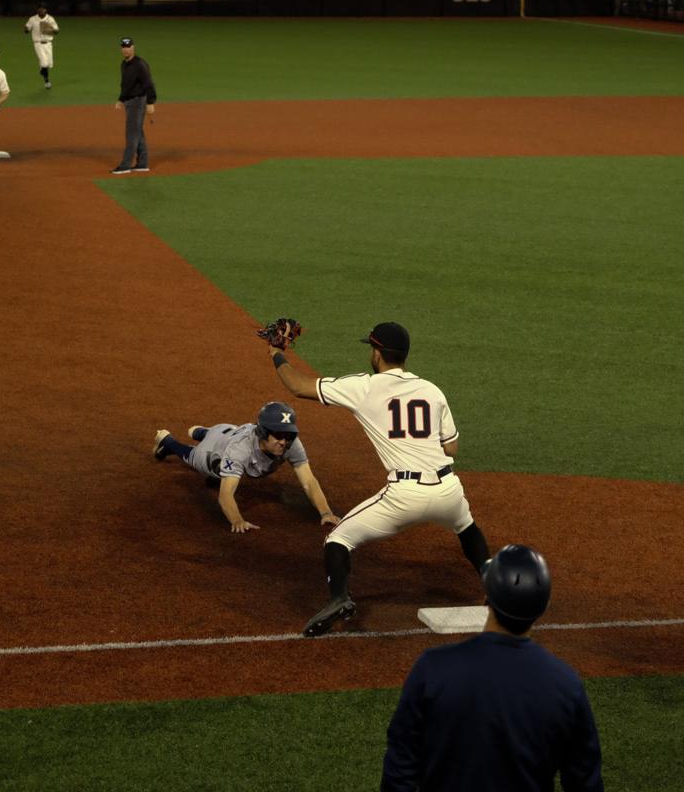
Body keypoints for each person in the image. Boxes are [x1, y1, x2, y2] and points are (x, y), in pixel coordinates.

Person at [270, 321, 491, 637]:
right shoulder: (432, 390)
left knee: (338, 539)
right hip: (448, 490)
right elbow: (451, 445)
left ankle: (339, 598)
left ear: (378, 353)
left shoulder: (365, 386)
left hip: (405, 495)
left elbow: (298, 386)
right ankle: (496, 586)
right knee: (466, 527)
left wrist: (276, 352)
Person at [381, 545, 604, 792]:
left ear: (487, 597)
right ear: (543, 607)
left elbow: (399, 769)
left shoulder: (433, 668)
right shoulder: (565, 684)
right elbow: (585, 782)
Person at [152, 402, 341, 534]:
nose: (284, 442)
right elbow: (225, 494)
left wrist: (326, 512)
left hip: (228, 430)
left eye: (289, 435)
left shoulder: (291, 443)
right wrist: (237, 520)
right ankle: (168, 442)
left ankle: (202, 432)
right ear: (262, 433)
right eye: (278, 435)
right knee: (202, 463)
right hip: (215, 451)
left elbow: (308, 481)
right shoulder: (239, 450)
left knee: (218, 438)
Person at [113, 37, 156, 174]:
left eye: (129, 47)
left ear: (133, 48)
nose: (126, 49)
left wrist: (150, 102)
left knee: (131, 133)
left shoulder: (140, 64)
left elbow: (148, 84)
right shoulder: (124, 64)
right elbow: (126, 85)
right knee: (137, 132)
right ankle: (143, 163)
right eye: (124, 47)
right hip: (129, 102)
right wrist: (121, 99)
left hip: (138, 102)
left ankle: (125, 165)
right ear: (121, 49)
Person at [23, 2, 59, 89]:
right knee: (44, 63)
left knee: (49, 64)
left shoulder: (50, 19)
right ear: (37, 9)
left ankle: (42, 70)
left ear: (46, 10)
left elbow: (57, 31)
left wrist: (49, 29)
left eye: (43, 8)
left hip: (48, 44)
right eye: (40, 8)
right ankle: (47, 82)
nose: (41, 10)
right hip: (38, 44)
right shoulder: (32, 19)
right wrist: (26, 29)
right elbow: (27, 29)